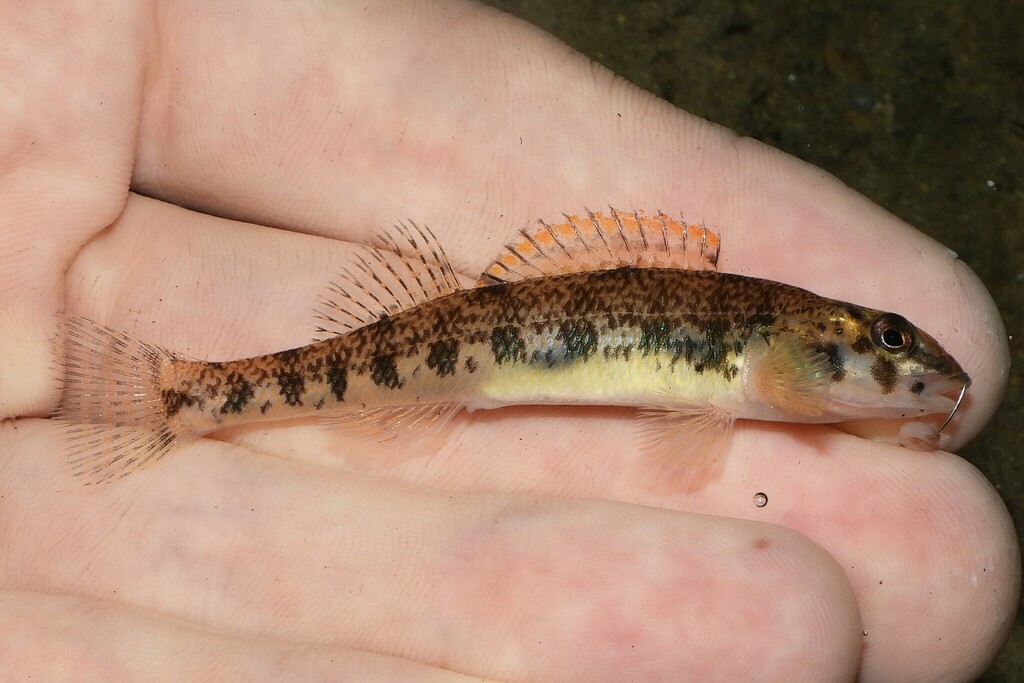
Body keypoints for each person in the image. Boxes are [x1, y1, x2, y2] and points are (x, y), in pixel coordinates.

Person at [0, 2, 1016, 681]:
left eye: (897, 355)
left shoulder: (755, 351)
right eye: (882, 345)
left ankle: (177, 397)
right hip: (445, 346)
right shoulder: (749, 334)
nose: (901, 370)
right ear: (800, 339)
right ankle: (177, 395)